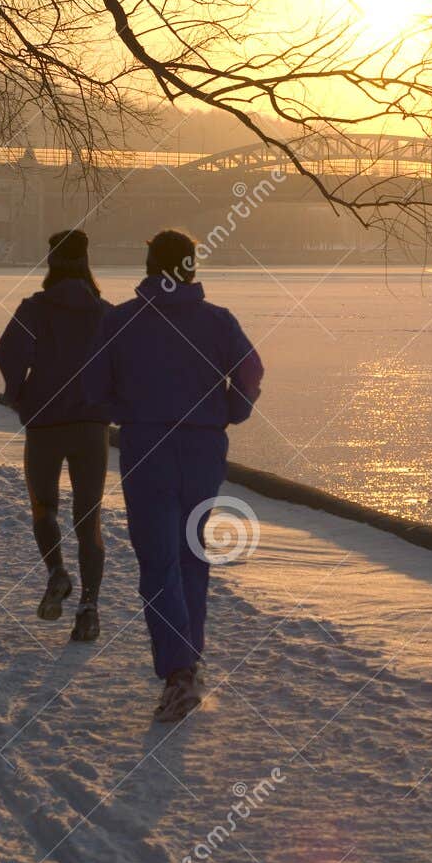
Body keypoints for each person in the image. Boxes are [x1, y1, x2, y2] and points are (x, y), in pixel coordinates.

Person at [97, 230, 263, 723]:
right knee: (191, 553)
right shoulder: (217, 321)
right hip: (203, 448)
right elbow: (250, 371)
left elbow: (93, 385)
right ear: (191, 267)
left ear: (149, 266)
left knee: (158, 561)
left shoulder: (120, 321)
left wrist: (124, 411)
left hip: (148, 447)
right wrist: (230, 410)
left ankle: (179, 671)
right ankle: (189, 658)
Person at [0, 230, 112, 643]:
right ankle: (89, 610)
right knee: (88, 519)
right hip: (91, 427)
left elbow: (8, 354)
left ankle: (57, 573)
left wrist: (19, 394)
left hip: (45, 423)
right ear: (86, 262)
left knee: (43, 507)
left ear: (51, 262)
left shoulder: (34, 309)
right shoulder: (105, 313)